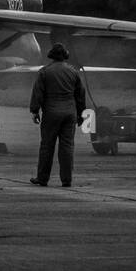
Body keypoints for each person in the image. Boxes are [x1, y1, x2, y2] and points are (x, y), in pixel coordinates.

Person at [29, 42, 86, 187]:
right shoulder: (73, 72)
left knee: (47, 146)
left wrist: (35, 110)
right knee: (67, 147)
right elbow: (80, 95)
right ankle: (66, 180)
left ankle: (42, 178)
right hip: (69, 113)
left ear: (51, 56)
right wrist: (80, 114)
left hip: (51, 113)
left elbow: (38, 93)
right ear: (65, 56)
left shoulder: (44, 72)